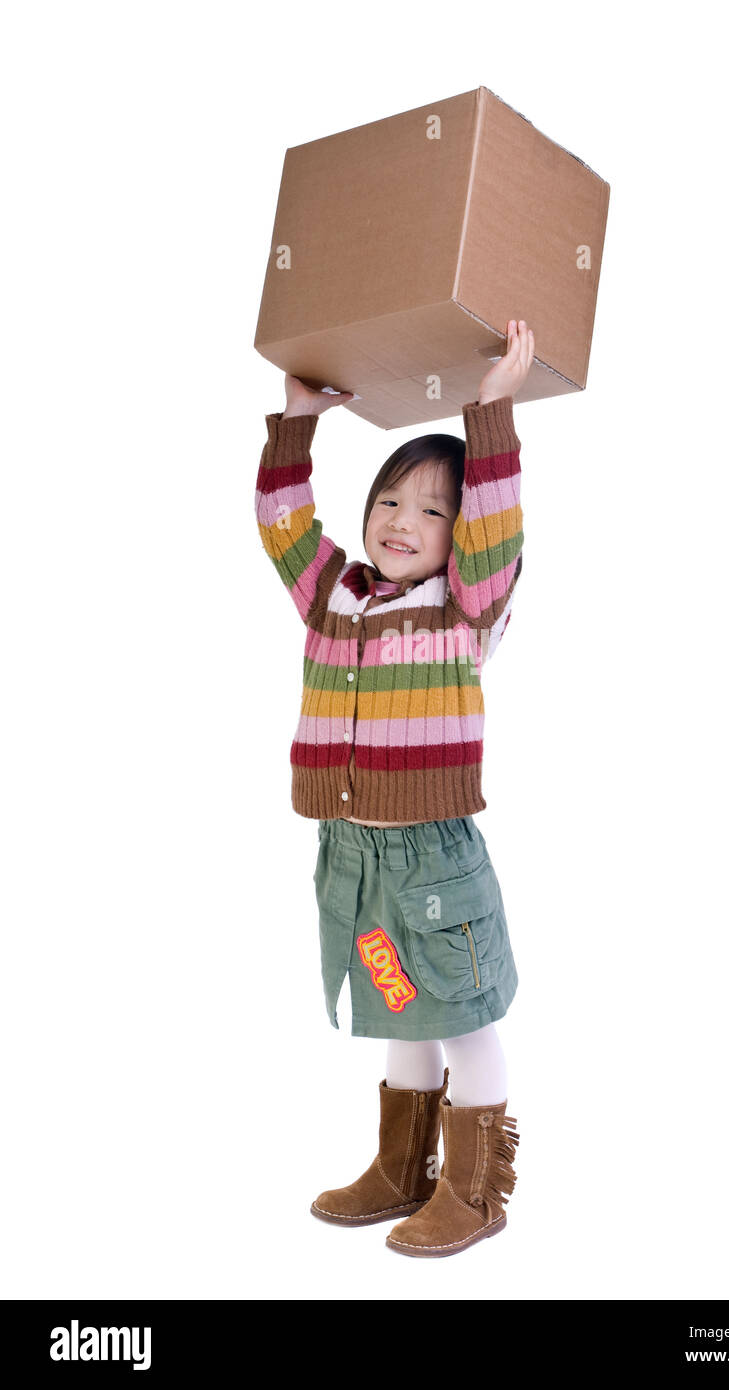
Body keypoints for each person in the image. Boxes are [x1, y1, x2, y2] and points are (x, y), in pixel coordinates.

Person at [254, 319, 533, 1258]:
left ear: (460, 538)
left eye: (432, 509)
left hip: (434, 861)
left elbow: (495, 530)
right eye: (388, 500)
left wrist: (490, 411)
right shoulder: (334, 592)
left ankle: (476, 1186)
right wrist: (297, 425)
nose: (401, 520)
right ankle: (398, 1168)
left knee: (461, 1014)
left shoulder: (464, 605)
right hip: (355, 855)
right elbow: (284, 524)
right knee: (395, 1003)